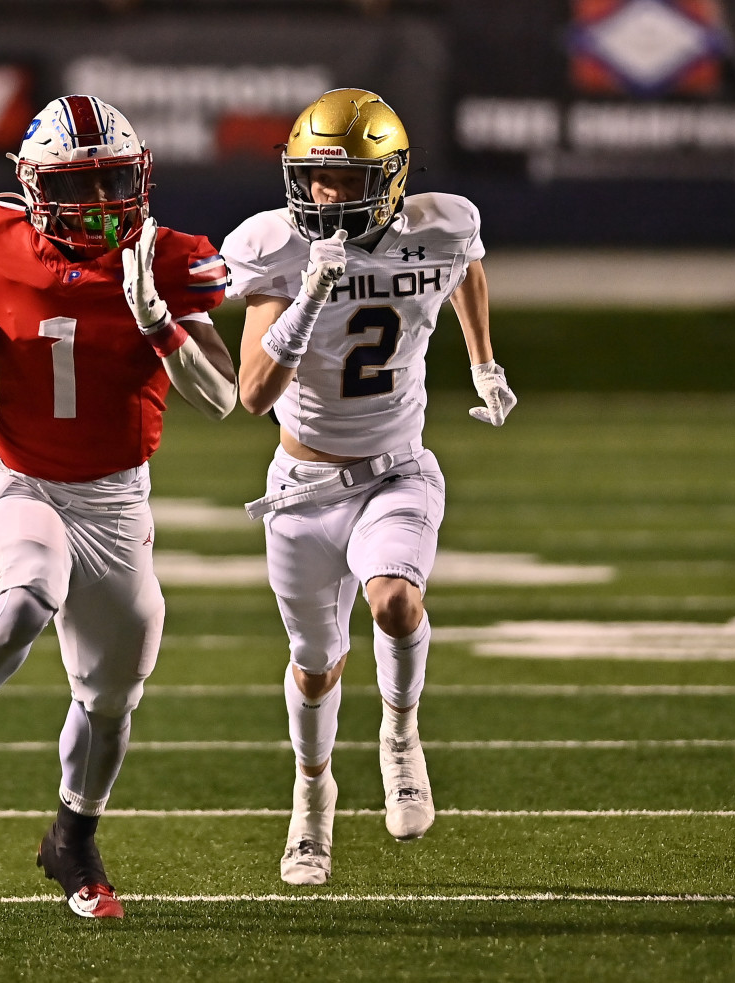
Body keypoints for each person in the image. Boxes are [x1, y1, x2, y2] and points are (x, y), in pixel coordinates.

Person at [0, 95, 237, 918]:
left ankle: (71, 837)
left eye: (114, 181)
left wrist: (157, 319)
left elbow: (226, 398)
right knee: (30, 590)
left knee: (111, 699)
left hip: (116, 501)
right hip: (21, 474)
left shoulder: (171, 260)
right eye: (81, 186)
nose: (102, 205)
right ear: (35, 188)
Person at [221, 88, 516, 885]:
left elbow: (468, 267)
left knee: (394, 600)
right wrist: (311, 294)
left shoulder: (440, 225)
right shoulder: (276, 248)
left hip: (397, 468)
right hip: (302, 487)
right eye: (314, 177)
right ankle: (311, 797)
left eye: (346, 178)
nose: (325, 194)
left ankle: (399, 736)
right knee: (315, 662)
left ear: (387, 179)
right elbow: (252, 392)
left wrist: (483, 361)